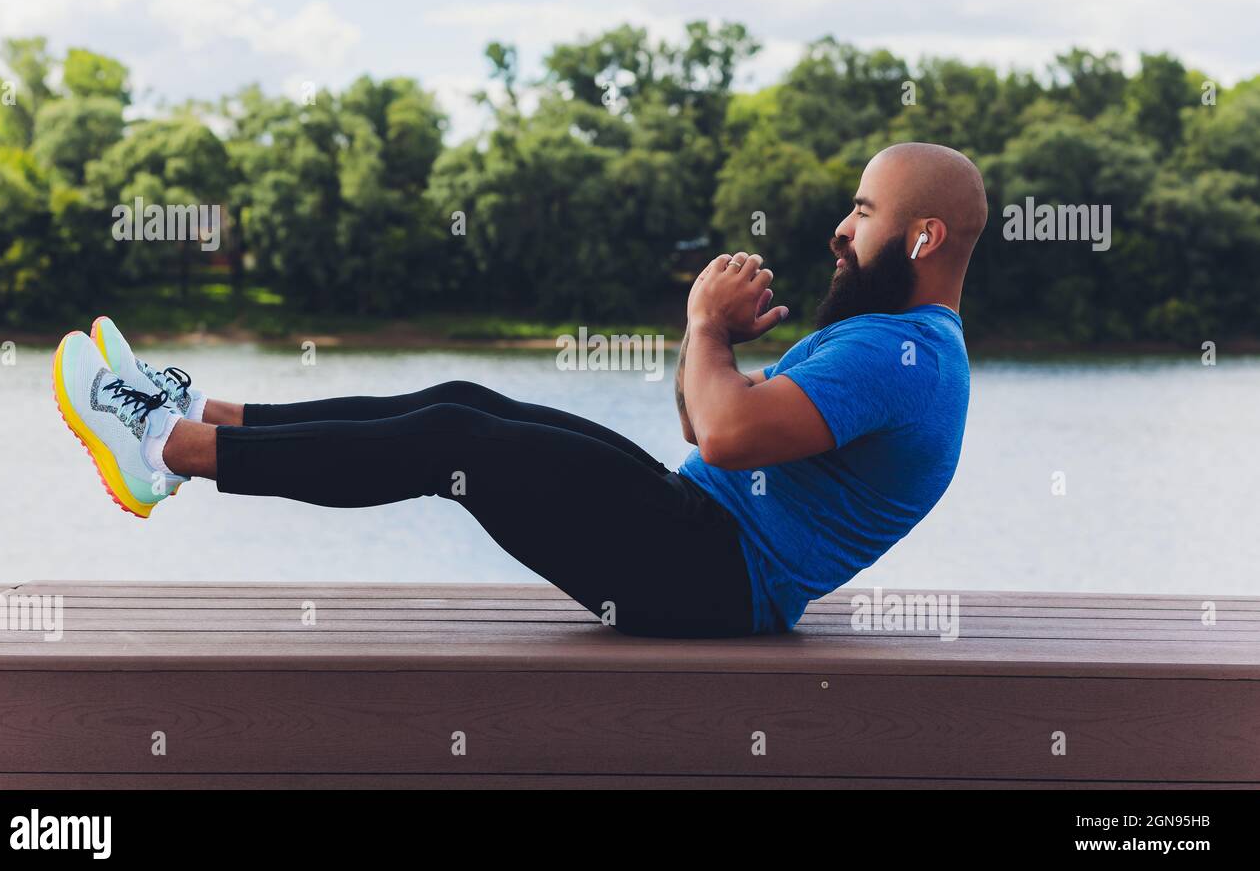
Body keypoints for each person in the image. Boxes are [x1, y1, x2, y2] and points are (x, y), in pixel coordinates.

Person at [52, 142, 987, 638]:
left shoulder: (901, 357)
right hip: (697, 538)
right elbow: (708, 427)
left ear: (922, 238)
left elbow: (729, 435)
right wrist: (709, 348)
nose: (840, 227)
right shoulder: (895, 344)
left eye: (864, 211)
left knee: (458, 439)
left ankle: (165, 450)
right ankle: (200, 415)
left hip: (708, 578)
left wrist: (704, 325)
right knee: (468, 401)